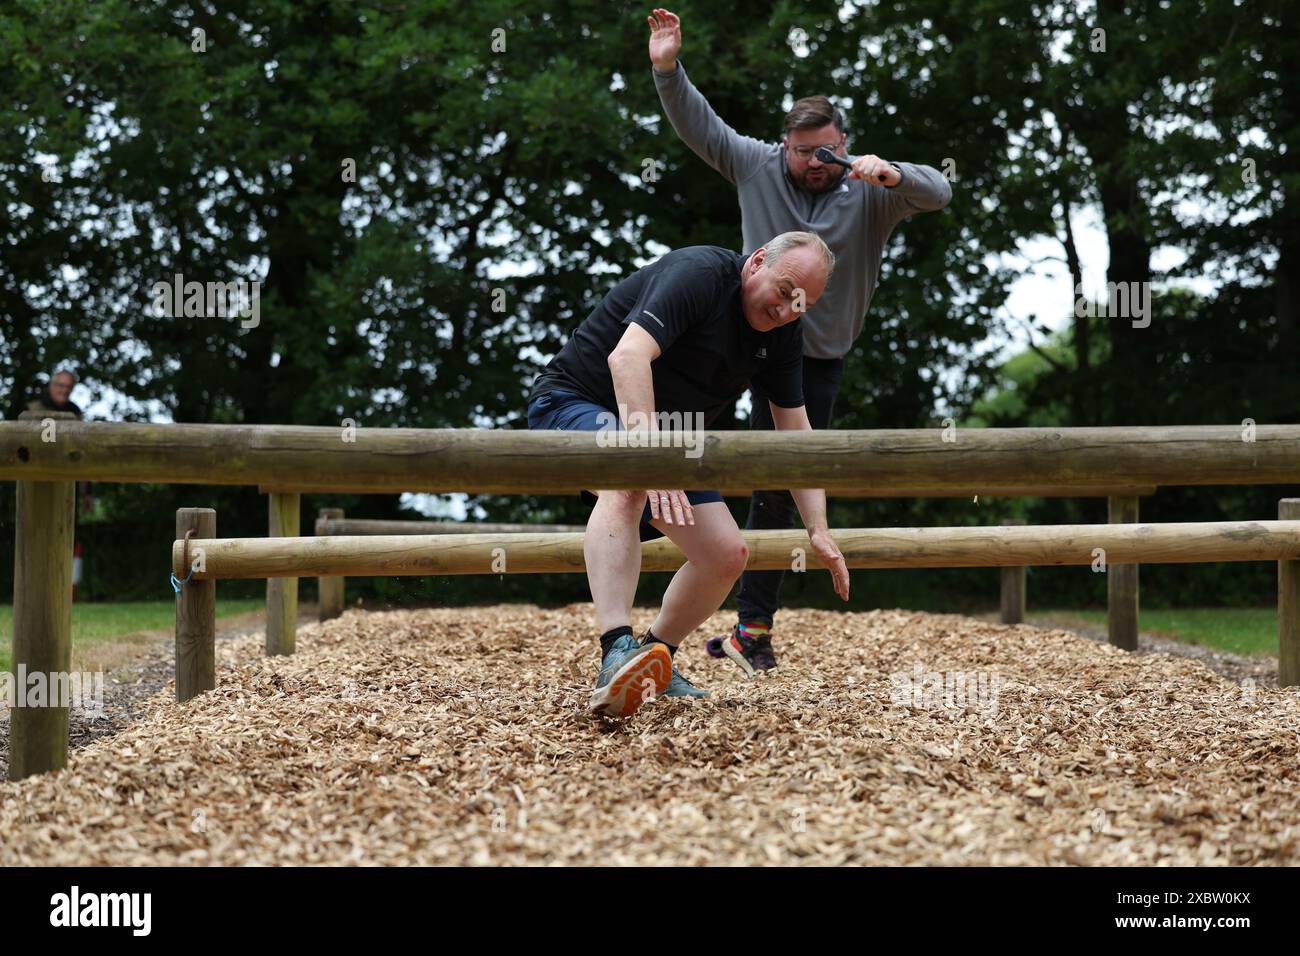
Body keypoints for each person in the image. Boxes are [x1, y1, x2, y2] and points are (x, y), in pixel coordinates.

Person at [646, 8, 953, 675]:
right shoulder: (757, 166)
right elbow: (701, 126)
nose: (813, 162)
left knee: (779, 483)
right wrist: (667, 67)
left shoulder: (870, 191)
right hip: (741, 342)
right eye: (801, 150)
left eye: (826, 151)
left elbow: (941, 191)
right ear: (783, 146)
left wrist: (893, 174)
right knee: (713, 458)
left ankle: (749, 621)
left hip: (814, 357)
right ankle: (716, 588)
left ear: (844, 145)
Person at [527, 232, 851, 718]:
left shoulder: (783, 332)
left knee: (727, 554)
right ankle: (615, 648)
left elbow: (795, 432)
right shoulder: (699, 273)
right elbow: (627, 357)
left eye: (800, 304)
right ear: (757, 261)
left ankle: (655, 657)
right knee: (631, 482)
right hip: (576, 401)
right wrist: (654, 462)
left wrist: (819, 530)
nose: (787, 311)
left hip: (666, 439)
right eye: (784, 292)